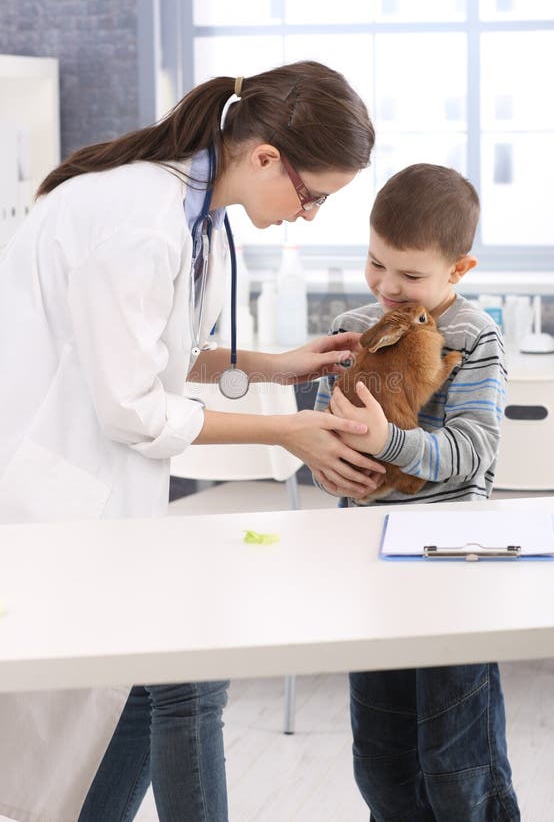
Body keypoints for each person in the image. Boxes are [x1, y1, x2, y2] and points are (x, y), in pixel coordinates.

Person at [0, 61, 387, 822]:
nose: (310, 216)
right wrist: (290, 432)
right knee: (180, 676)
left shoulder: (189, 210)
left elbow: (159, 350)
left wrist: (275, 366)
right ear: (266, 158)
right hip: (49, 504)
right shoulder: (140, 224)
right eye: (313, 196)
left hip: (94, 501)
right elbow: (135, 409)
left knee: (171, 681)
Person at [313, 163, 520, 821]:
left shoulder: (474, 336)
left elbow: (474, 451)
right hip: (368, 560)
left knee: (459, 759)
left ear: (459, 269)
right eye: (376, 263)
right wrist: (330, 466)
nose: (386, 287)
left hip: (453, 564)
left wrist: (389, 443)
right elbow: (324, 433)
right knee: (380, 757)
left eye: (409, 274)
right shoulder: (355, 326)